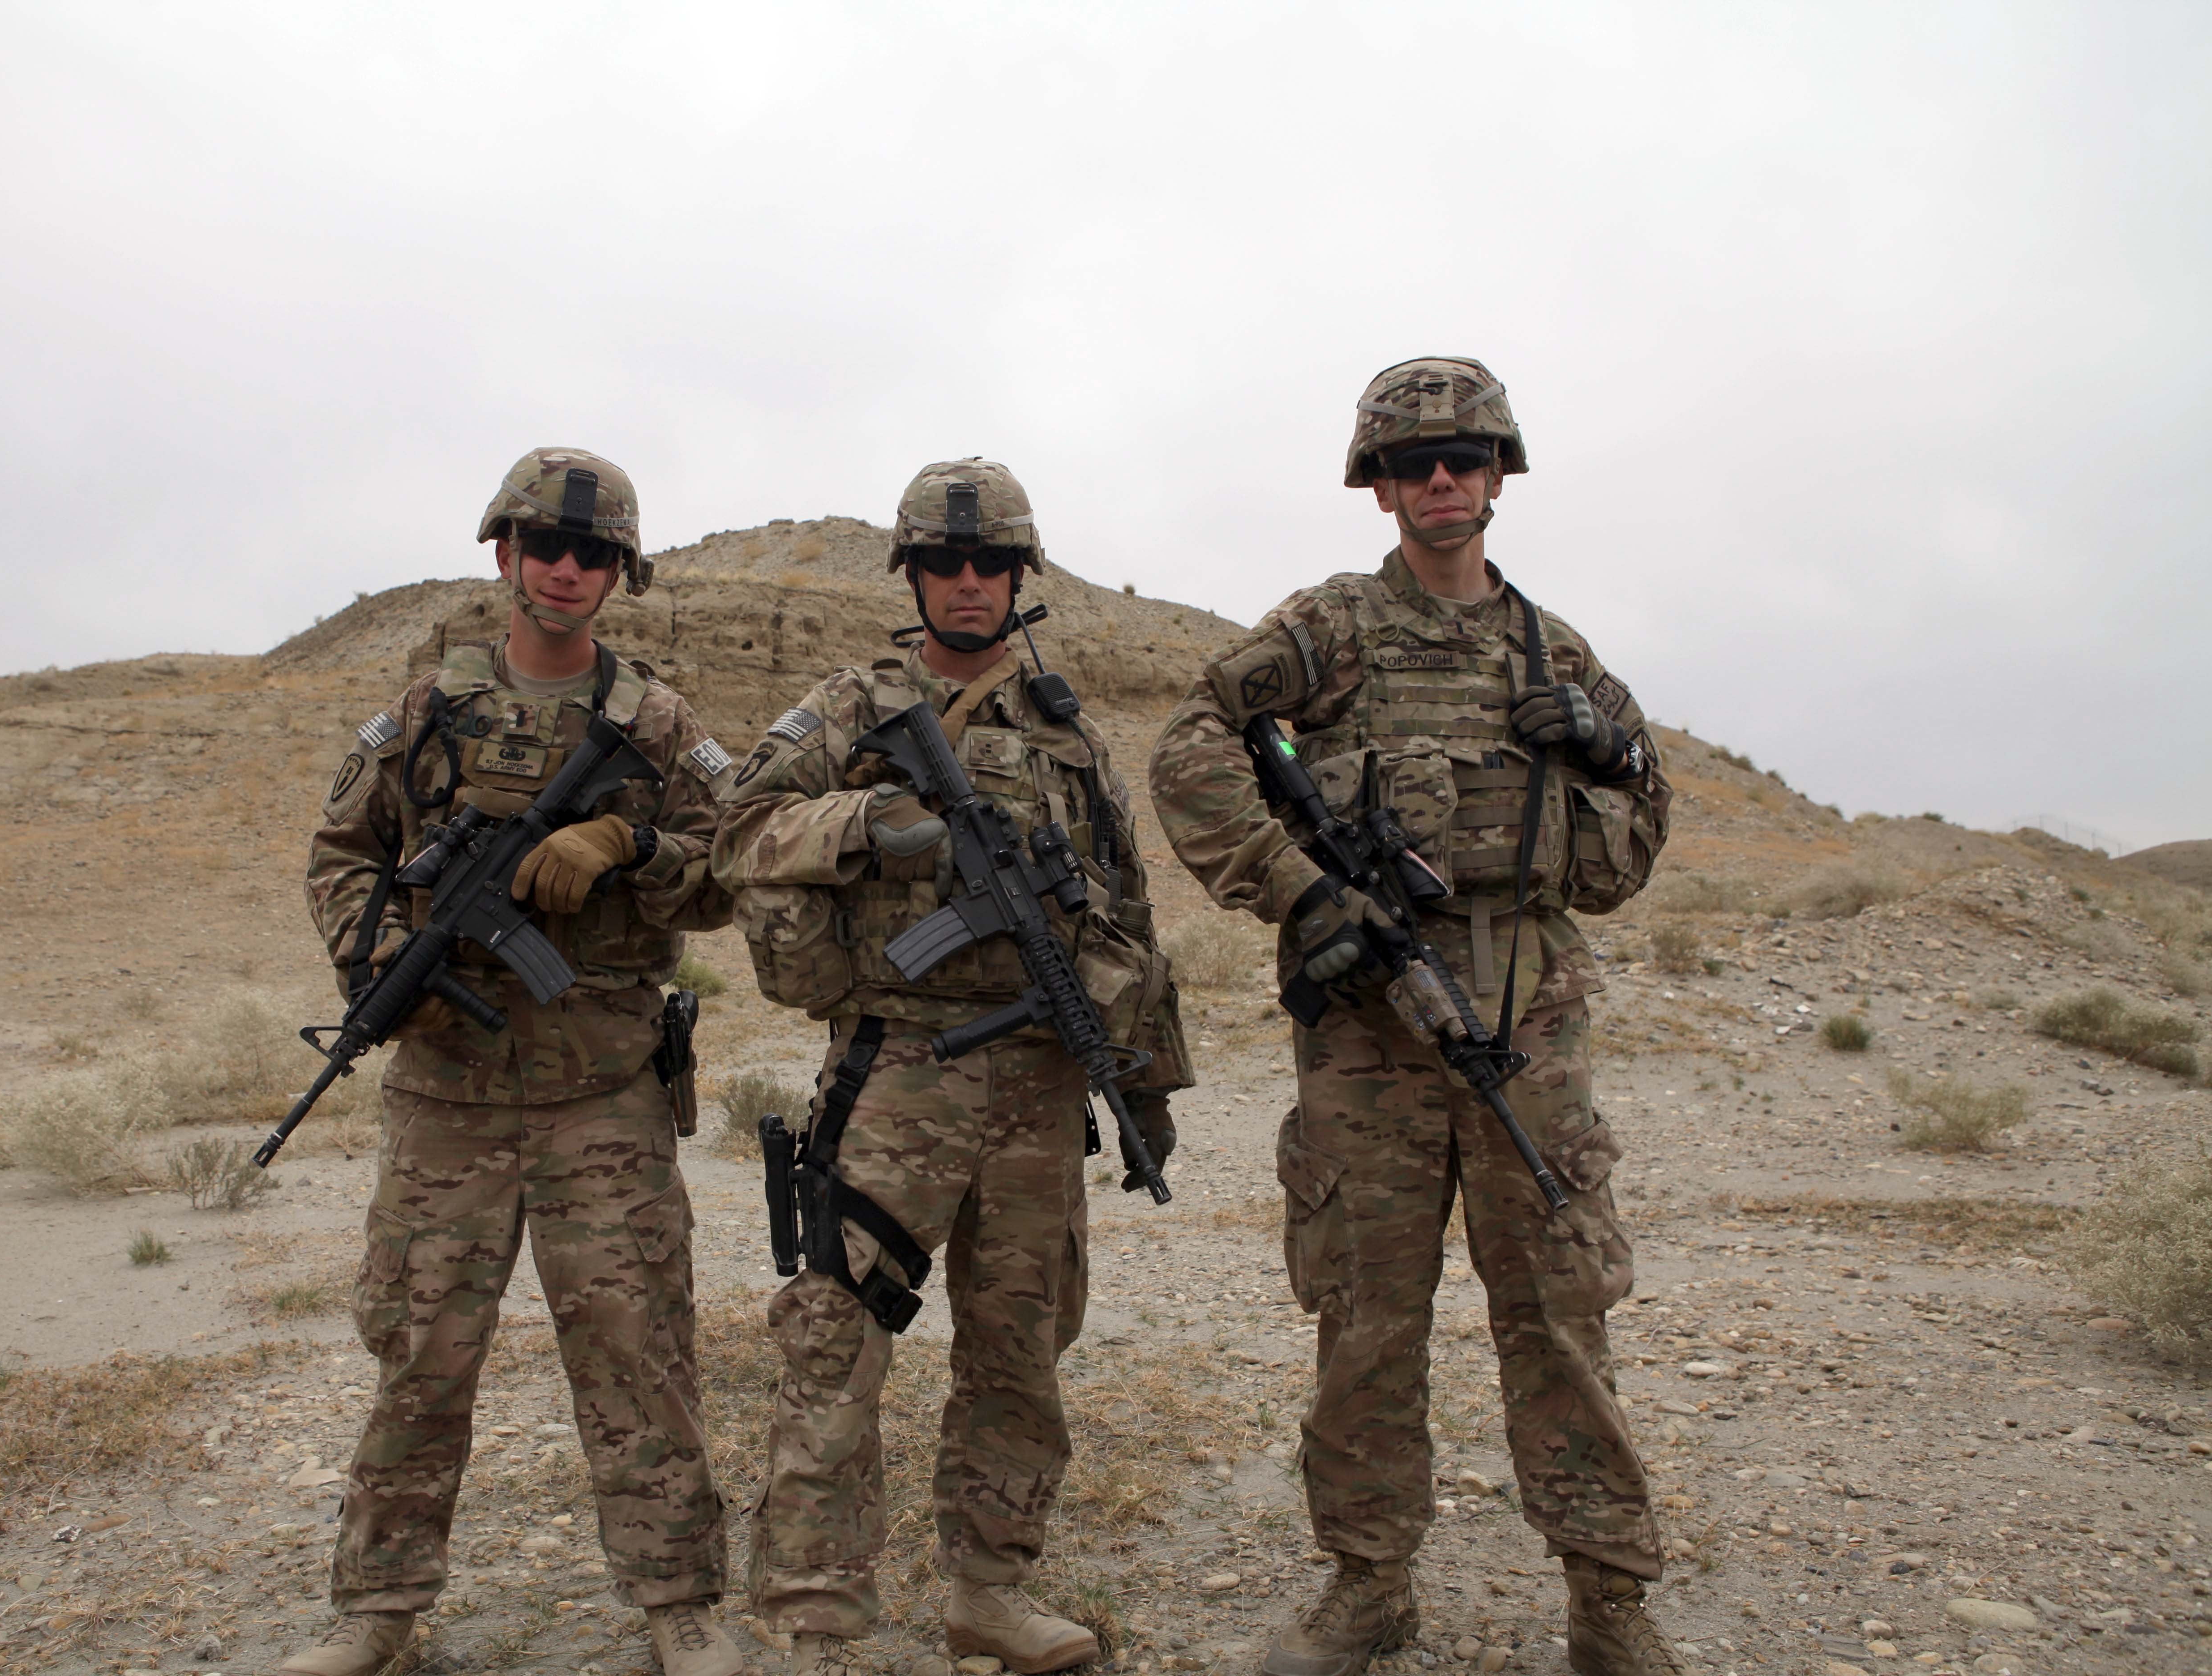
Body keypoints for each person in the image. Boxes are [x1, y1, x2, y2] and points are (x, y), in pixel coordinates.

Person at [1146, 361, 1680, 1676]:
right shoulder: (1327, 630)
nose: (1440, 481)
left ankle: (1608, 1601)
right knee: (1367, 1316)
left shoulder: (1560, 657)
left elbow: (1627, 853)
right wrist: (1298, 890)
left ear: (1499, 476)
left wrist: (1615, 762)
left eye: (1464, 458)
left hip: (1526, 1025)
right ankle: (1368, 1587)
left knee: (1560, 1308)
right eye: (1413, 463)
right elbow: (1194, 742)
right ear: (1378, 488)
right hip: (1366, 1029)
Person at [712, 460, 1190, 1676]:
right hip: (896, 1071)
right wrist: (862, 824)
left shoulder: (1067, 736)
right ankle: (818, 1615)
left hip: (1037, 1082)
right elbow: (733, 837)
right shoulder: (848, 708)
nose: (967, 584)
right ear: (912, 574)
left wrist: (1144, 1085)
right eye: (943, 563)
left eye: (989, 566)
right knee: (837, 1340)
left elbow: (1127, 917)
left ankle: (989, 1587)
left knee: (1020, 1347)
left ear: (1019, 578)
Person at [296, 448, 743, 1676]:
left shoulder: (655, 724)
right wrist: (393, 966)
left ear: (618, 574)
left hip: (603, 1096)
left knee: (639, 1355)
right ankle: (376, 1611)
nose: (564, 567)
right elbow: (341, 857)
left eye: (590, 552)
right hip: (446, 1099)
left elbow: (735, 860)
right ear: (504, 554)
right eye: (544, 544)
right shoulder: (427, 711)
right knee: (420, 1357)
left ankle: (679, 1607)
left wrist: (627, 842)